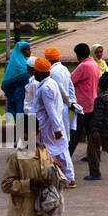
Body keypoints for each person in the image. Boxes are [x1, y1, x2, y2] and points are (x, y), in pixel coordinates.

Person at [33, 55, 73, 183]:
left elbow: (51, 110)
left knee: (56, 150)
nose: (33, 74)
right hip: (48, 123)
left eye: (35, 71)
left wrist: (56, 128)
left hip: (47, 124)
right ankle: (65, 176)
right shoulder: (51, 83)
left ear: (39, 72)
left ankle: (66, 177)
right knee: (60, 149)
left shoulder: (46, 88)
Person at [44, 48, 79, 178]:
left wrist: (70, 102)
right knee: (62, 140)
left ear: (48, 59)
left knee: (58, 141)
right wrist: (72, 101)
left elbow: (62, 89)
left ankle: (63, 172)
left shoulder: (52, 72)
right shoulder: (63, 68)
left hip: (58, 108)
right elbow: (70, 86)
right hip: (62, 107)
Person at [69, 44, 99, 160]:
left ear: (79, 55)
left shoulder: (84, 66)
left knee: (75, 133)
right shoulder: (93, 63)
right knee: (90, 131)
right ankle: (94, 154)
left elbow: (70, 80)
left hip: (82, 104)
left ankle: (67, 157)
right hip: (92, 101)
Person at [0, 40, 31, 120]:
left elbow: (5, 82)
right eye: (27, 50)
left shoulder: (10, 63)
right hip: (22, 94)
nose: (30, 52)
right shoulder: (24, 65)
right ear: (21, 51)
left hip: (15, 94)